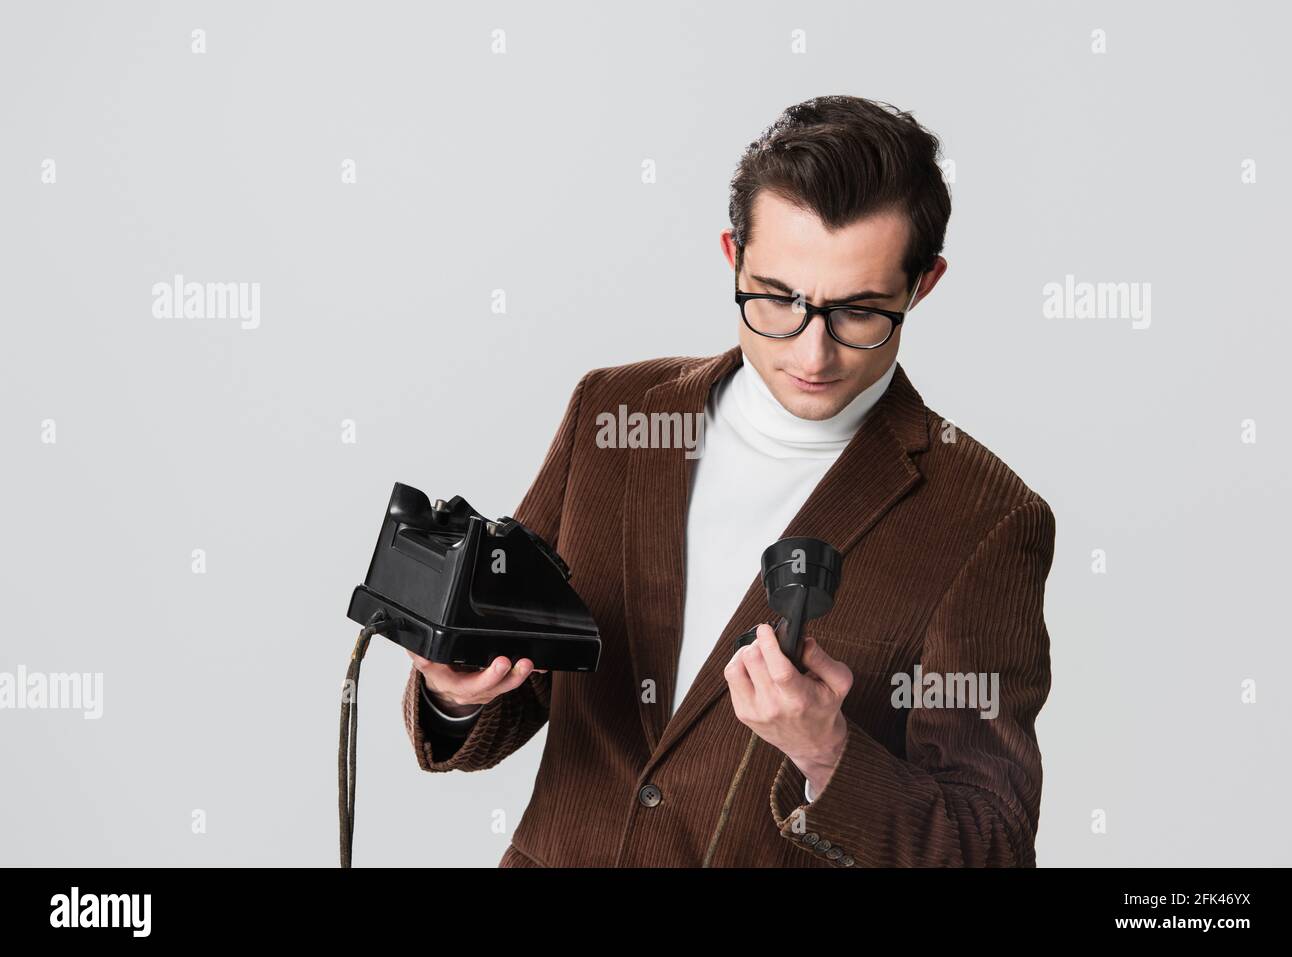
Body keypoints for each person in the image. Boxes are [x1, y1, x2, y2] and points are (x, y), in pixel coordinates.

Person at [402, 94, 1055, 867]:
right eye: (777, 299)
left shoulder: (986, 518)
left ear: (925, 284)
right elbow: (517, 689)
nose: (814, 355)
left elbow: (993, 845)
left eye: (859, 311)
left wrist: (831, 755)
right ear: (731, 256)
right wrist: (453, 689)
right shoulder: (611, 414)